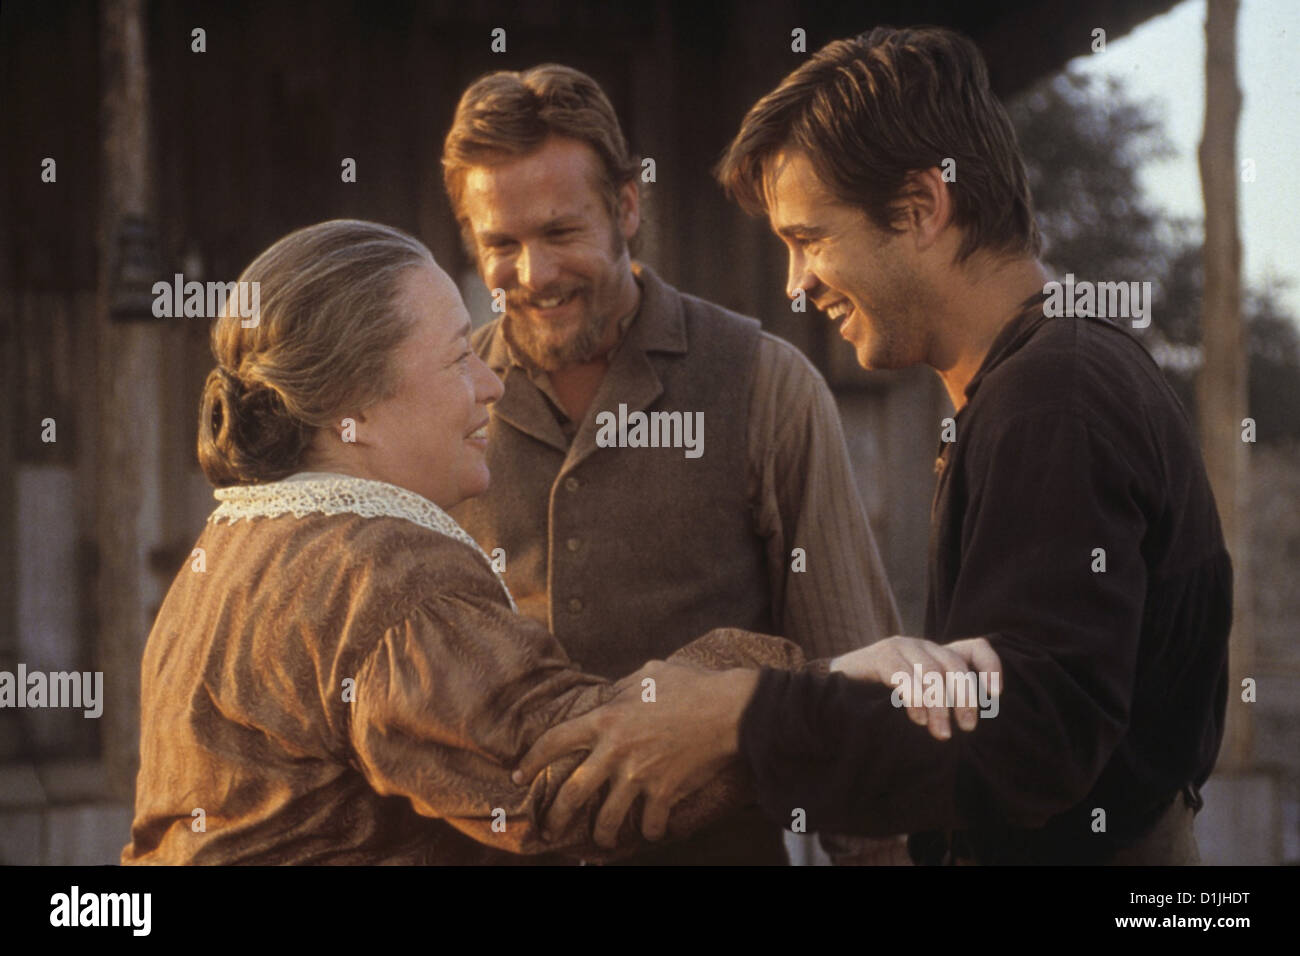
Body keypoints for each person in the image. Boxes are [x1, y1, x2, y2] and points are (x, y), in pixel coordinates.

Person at [514, 26, 1232, 866]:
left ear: (923, 206)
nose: (795, 283)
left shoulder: (1055, 398)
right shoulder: (1030, 385)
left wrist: (739, 722)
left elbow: (1039, 734)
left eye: (810, 238)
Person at [120, 219, 817, 865]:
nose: (490, 385)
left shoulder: (235, 544)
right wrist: (809, 690)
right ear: (352, 405)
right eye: (459, 359)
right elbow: (575, 784)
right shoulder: (385, 574)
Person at [441, 63, 902, 865]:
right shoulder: (441, 408)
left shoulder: (766, 385)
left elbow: (847, 679)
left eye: (560, 233)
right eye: (502, 246)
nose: (535, 274)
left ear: (627, 205)